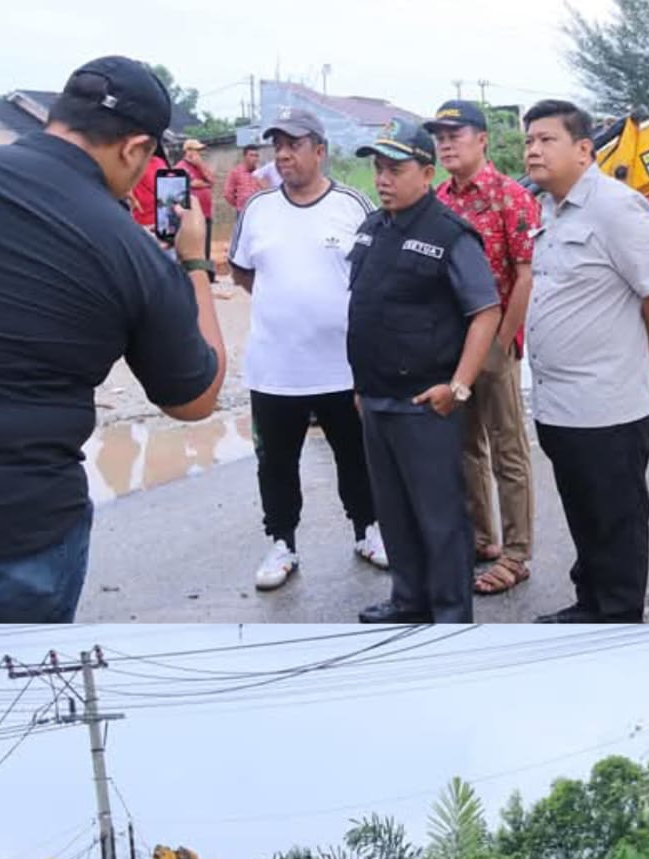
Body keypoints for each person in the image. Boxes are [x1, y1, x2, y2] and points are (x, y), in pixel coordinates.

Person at [0, 54, 227, 622]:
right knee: (6, 703)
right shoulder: (127, 248)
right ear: (134, 148)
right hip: (10, 542)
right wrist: (194, 265)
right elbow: (195, 396)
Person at [523, 99, 649, 624]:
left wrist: (640, 352)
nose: (533, 150)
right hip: (560, 403)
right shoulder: (549, 209)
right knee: (584, 512)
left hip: (606, 403)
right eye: (529, 141)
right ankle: (589, 601)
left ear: (584, 149)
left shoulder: (615, 207)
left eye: (547, 139)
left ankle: (616, 617)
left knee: (616, 517)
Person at [347, 119, 501, 624]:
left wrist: (458, 387)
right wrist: (360, 387)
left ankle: (452, 614)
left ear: (427, 173)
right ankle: (408, 600)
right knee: (394, 512)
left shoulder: (450, 235)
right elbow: (367, 307)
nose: (383, 179)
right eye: (378, 169)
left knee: (439, 515)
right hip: (376, 399)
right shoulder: (372, 230)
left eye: (395, 169)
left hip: (425, 402)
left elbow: (485, 312)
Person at [229, 107, 387, 589]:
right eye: (278, 144)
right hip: (275, 368)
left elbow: (374, 276)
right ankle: (282, 543)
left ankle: (368, 530)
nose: (283, 153)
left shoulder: (353, 205)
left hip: (343, 367)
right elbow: (241, 270)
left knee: (355, 456)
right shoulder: (258, 210)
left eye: (294, 145)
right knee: (275, 461)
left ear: (319, 150)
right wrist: (290, 304)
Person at [426, 100, 541, 598]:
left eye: (456, 133)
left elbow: (525, 273)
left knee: (507, 449)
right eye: (440, 136)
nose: (446, 142)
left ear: (482, 139)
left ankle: (517, 555)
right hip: (452, 345)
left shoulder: (509, 197)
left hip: (495, 342)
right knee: (464, 446)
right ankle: (481, 539)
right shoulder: (438, 200)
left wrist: (500, 345)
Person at [178, 137, 216, 263]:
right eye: (197, 150)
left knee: (206, 245)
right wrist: (206, 184)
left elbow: (212, 180)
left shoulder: (200, 166)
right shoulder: (180, 167)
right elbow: (193, 183)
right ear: (188, 151)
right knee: (194, 248)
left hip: (206, 212)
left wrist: (200, 165)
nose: (199, 154)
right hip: (192, 214)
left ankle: (207, 275)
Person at [224, 143, 265, 213]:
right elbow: (228, 193)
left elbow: (265, 191)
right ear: (244, 156)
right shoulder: (236, 172)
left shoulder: (260, 173)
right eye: (251, 155)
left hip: (258, 211)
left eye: (256, 156)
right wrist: (238, 204)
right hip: (242, 211)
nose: (254, 158)